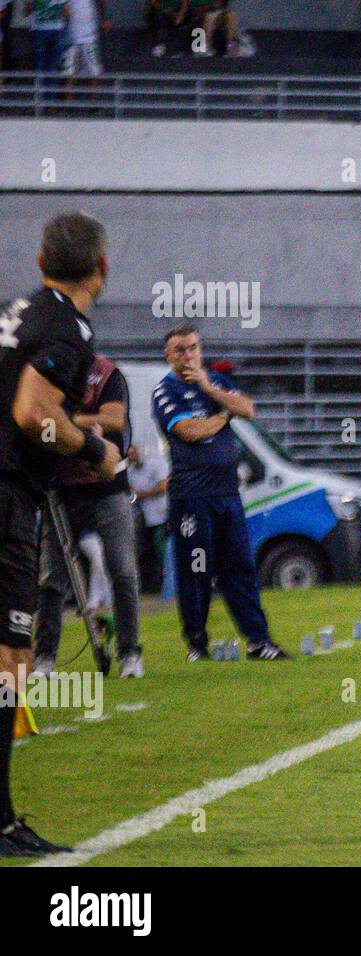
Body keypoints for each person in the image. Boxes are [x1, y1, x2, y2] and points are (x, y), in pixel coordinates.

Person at [1, 211, 123, 857]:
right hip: (7, 496)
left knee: (14, 660)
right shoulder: (65, 324)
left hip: (13, 492)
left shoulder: (21, 308)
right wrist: (91, 448)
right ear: (100, 267)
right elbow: (30, 414)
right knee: (7, 662)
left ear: (42, 259)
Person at [151, 326, 288, 661]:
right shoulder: (165, 392)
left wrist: (209, 388)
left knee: (240, 566)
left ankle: (259, 640)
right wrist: (223, 415)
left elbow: (248, 409)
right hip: (192, 495)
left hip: (227, 491)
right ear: (169, 356)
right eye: (180, 350)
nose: (188, 355)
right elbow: (191, 431)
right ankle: (197, 643)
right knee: (196, 568)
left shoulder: (214, 382)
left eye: (193, 348)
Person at [33, 352, 143, 678]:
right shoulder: (48, 373)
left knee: (122, 570)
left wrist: (68, 422)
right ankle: (45, 658)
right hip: (61, 487)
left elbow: (113, 419)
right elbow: (38, 422)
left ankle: (130, 653)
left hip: (108, 486)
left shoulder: (106, 373)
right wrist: (83, 423)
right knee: (52, 576)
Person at [126, 444, 171, 597]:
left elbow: (163, 486)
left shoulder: (155, 464)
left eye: (134, 453)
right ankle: (157, 586)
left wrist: (141, 495)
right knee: (150, 553)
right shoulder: (130, 472)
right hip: (146, 518)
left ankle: (171, 585)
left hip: (162, 515)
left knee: (163, 550)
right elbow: (131, 494)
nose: (132, 457)